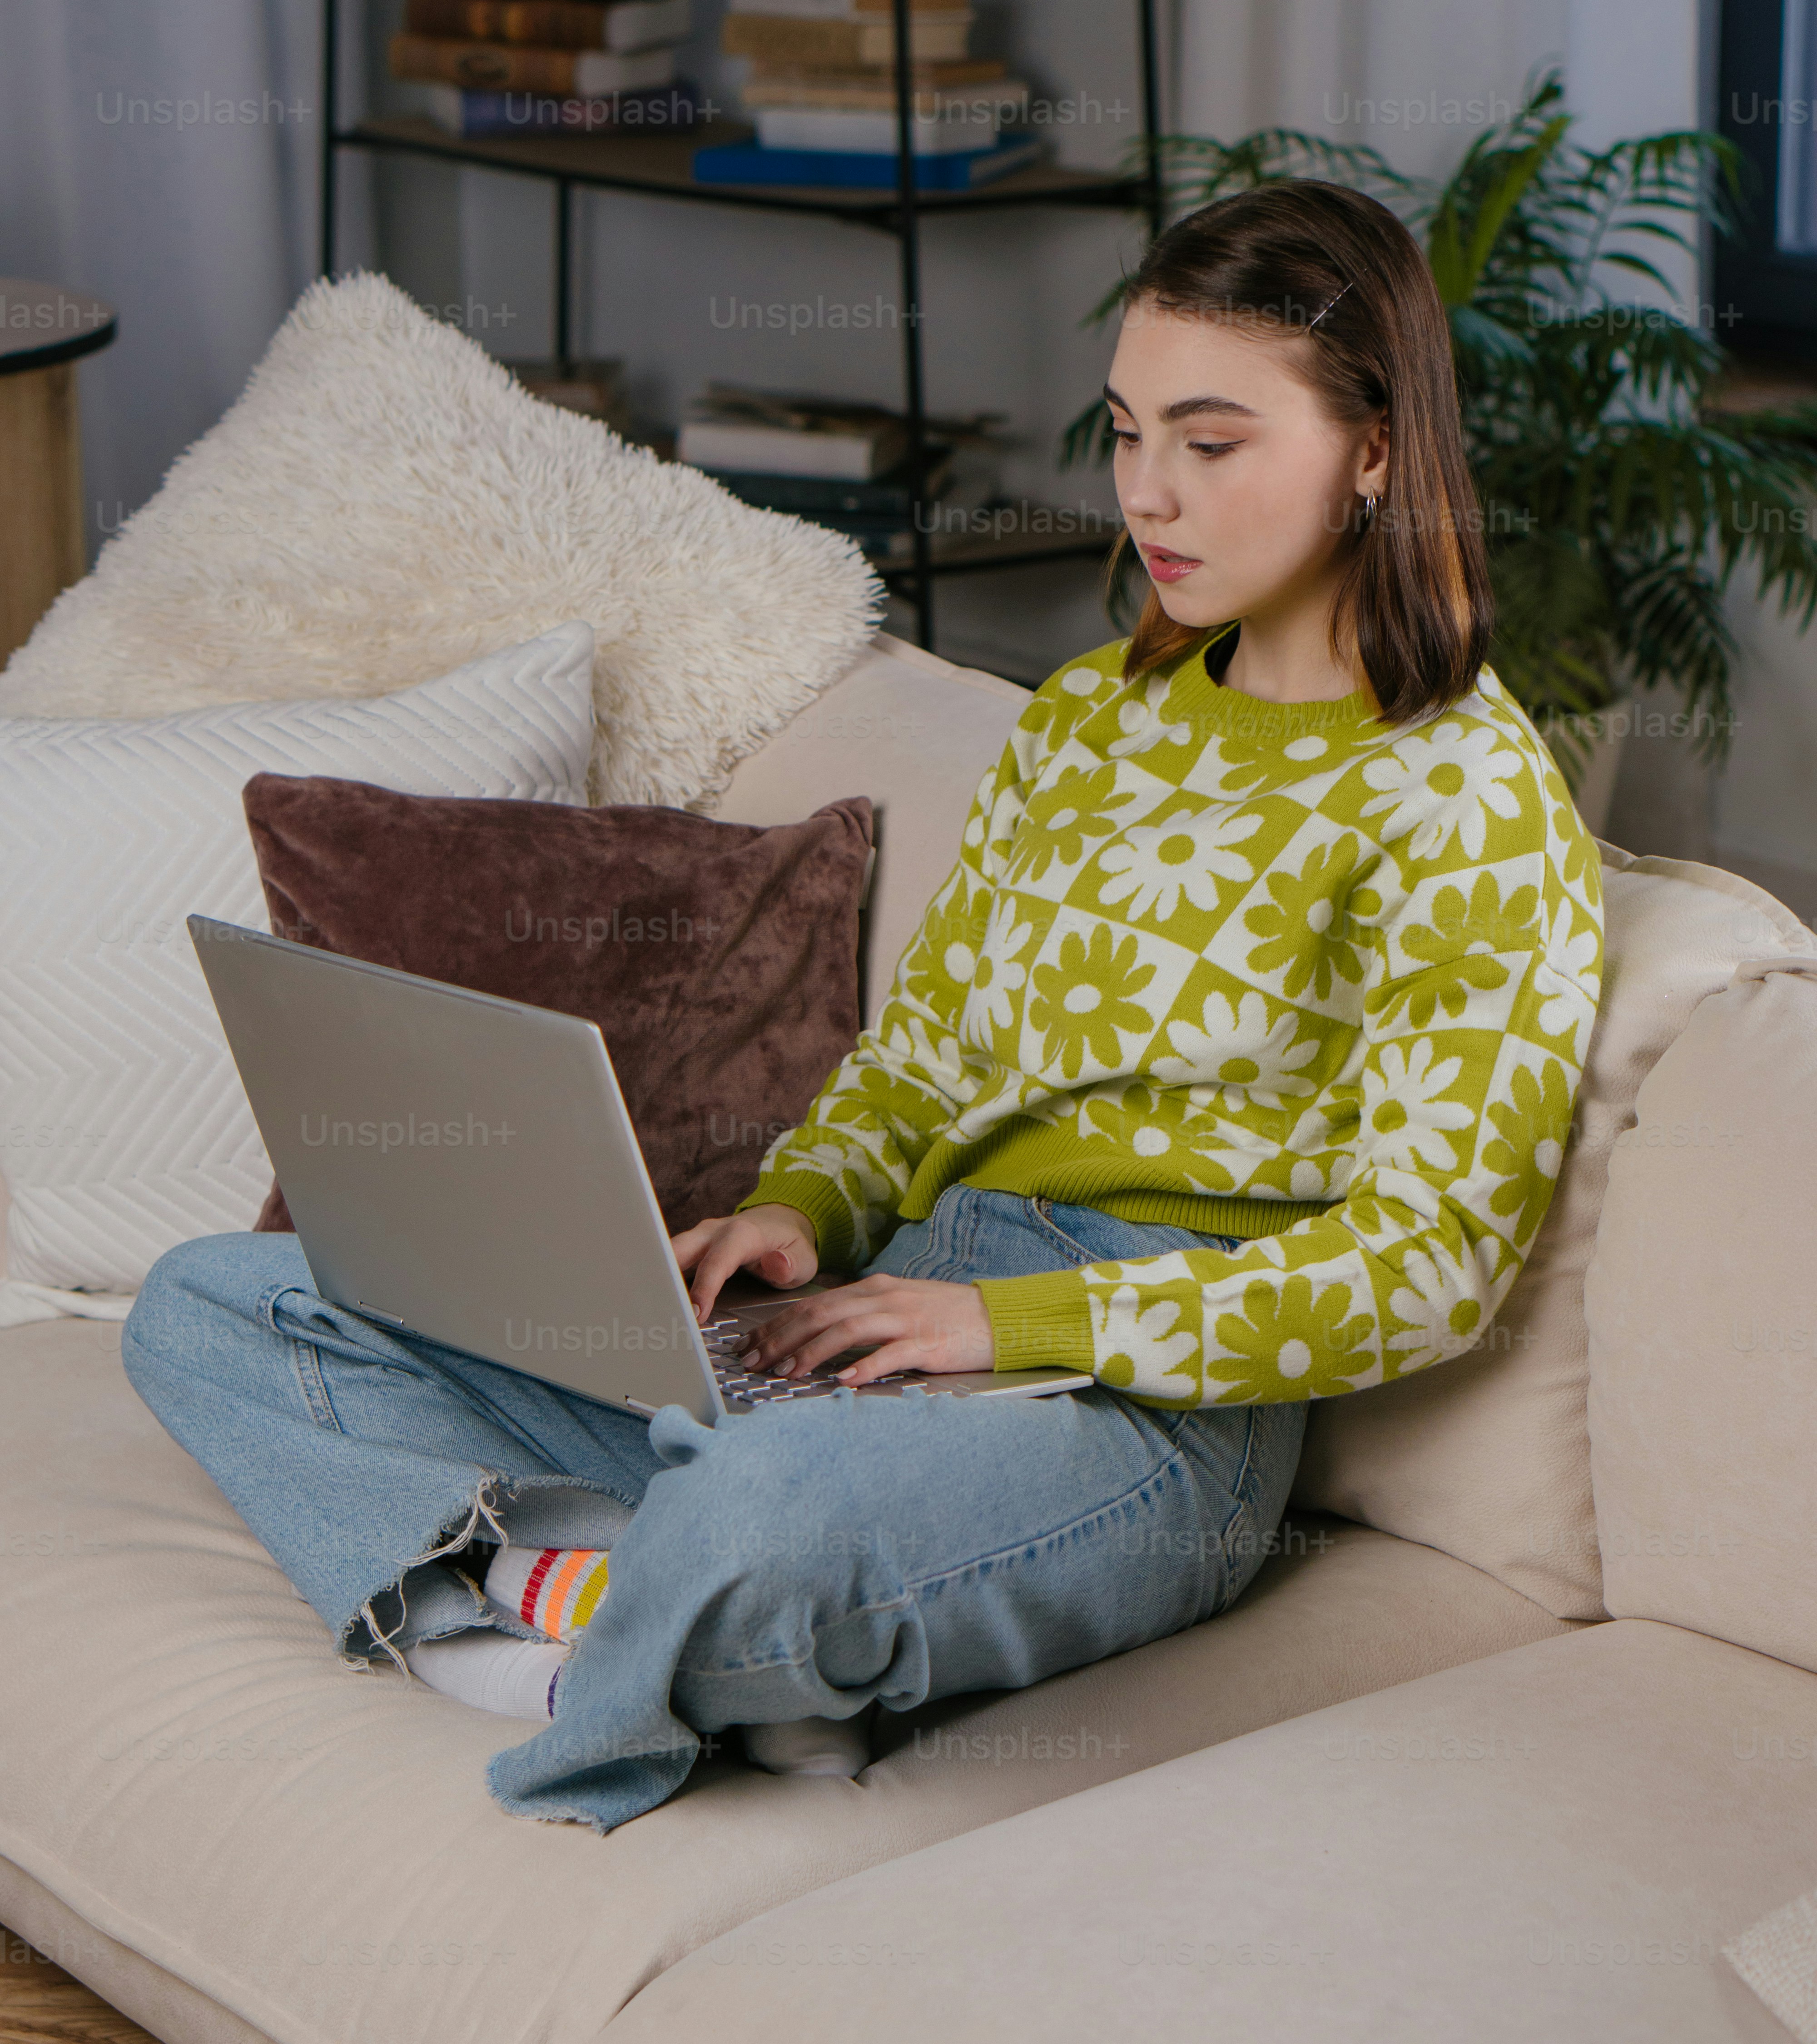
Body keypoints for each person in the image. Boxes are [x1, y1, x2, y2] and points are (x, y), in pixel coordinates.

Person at [122, 179, 1604, 1833]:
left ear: (1380, 453)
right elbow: (925, 1062)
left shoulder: (1465, 793)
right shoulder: (1089, 724)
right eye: (1125, 434)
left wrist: (1004, 1333)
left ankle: (578, 1602)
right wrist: (799, 1214)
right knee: (214, 1303)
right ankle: (667, 1617)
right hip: (891, 1320)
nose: (1147, 496)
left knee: (765, 1517)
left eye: (1212, 442)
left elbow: (1433, 1266)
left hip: (1151, 1417)